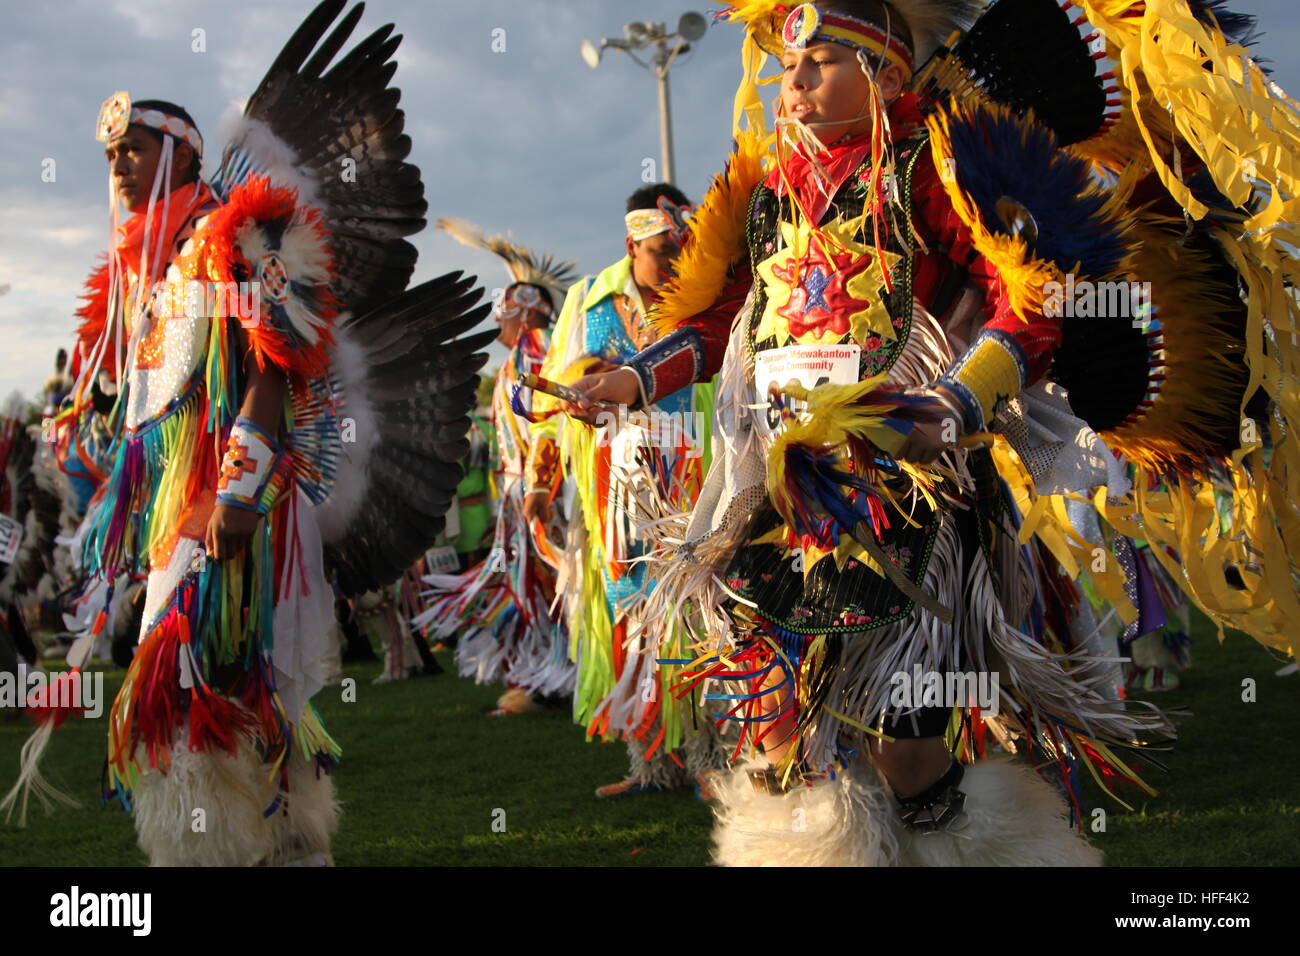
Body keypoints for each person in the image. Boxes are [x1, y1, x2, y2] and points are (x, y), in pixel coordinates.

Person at [564, 0, 1201, 864]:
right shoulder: (768, 197)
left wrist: (952, 407)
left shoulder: (931, 173)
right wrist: (633, 378)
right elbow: (717, 321)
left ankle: (972, 844)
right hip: (785, 495)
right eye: (789, 67)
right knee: (782, 733)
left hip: (906, 491)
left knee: (904, 738)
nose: (792, 83)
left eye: (820, 61)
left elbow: (1032, 295)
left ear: (887, 76)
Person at [3, 3, 496, 864]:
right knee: (218, 685)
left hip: (242, 503)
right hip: (178, 507)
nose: (120, 165)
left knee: (199, 681)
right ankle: (273, 845)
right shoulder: (143, 275)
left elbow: (278, 360)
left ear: (186, 151)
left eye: (138, 148)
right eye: (112, 154)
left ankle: (256, 846)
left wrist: (237, 488)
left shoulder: (229, 235)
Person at [530, 184, 730, 797]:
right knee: (633, 614)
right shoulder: (591, 299)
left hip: (696, 475)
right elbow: (555, 389)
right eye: (662, 249)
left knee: (698, 614)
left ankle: (710, 759)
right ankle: (652, 763)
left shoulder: (705, 298)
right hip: (615, 485)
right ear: (631, 243)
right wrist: (542, 483)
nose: (674, 259)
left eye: (683, 246)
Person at [416, 220, 576, 715]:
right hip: (526, 491)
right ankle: (546, 675)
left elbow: (545, 427)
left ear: (527, 310)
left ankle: (555, 678)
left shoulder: (536, 351)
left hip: (539, 492)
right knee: (537, 584)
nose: (498, 321)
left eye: (504, 310)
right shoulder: (524, 357)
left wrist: (537, 488)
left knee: (548, 584)